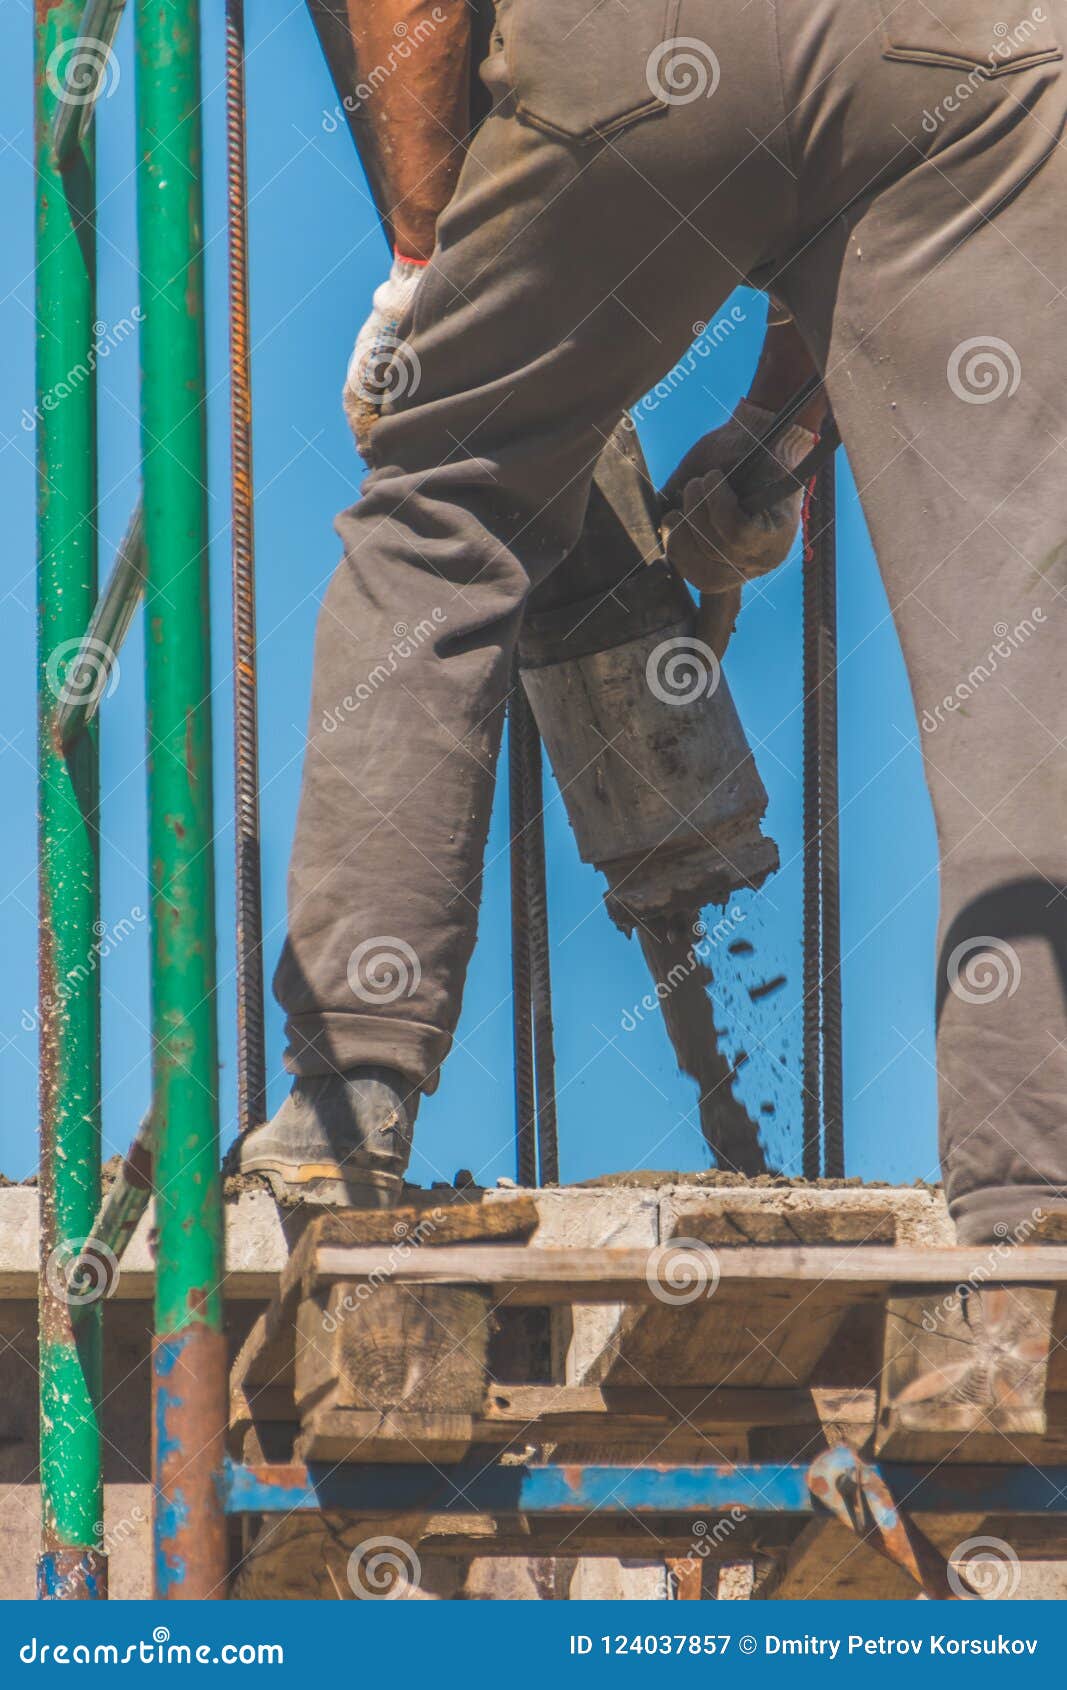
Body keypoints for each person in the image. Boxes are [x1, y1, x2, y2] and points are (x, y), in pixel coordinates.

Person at [241, 0, 1067, 1246]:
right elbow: (838, 94)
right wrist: (780, 428)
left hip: (637, 39)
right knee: (1017, 591)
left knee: (443, 509)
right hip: (980, 58)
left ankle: (343, 1114)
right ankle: (1032, 1188)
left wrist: (423, 271)